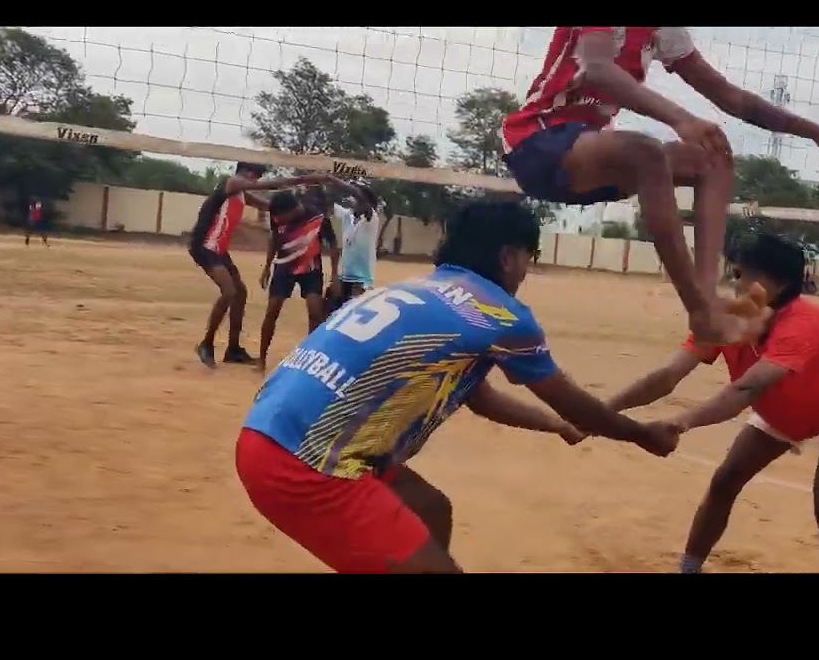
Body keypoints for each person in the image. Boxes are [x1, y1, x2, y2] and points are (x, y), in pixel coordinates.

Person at [235, 199, 683, 574]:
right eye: (529, 257)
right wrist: (642, 435)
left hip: (269, 432)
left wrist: (554, 426)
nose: (527, 270)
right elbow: (579, 406)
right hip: (308, 464)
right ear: (509, 257)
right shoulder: (501, 315)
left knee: (431, 510)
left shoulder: (428, 288)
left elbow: (478, 397)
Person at [501, 27, 819, 347]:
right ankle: (700, 310)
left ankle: (708, 296)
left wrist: (817, 133)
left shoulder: (664, 33)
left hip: (588, 157)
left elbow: (733, 98)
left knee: (713, 156)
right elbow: (597, 70)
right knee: (645, 151)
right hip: (537, 144)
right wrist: (681, 119)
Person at [614, 234, 819, 574]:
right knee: (726, 480)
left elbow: (745, 391)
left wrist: (681, 422)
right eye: (735, 274)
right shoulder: (725, 322)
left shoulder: (802, 326)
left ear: (779, 284)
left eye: (743, 276)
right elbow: (669, 375)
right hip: (783, 410)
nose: (735, 284)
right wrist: (605, 409)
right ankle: (689, 569)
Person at [189, 163, 340, 368]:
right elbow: (273, 185)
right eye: (256, 177)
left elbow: (269, 206)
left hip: (219, 249)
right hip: (204, 246)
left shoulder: (241, 193)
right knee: (229, 291)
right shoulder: (231, 183)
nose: (256, 181)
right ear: (248, 173)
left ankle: (233, 349)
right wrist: (304, 179)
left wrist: (296, 203)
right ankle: (206, 344)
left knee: (240, 292)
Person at [255, 191, 338, 373]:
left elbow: (333, 245)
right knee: (272, 310)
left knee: (315, 312)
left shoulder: (318, 217)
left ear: (292, 210)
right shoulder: (277, 216)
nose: (277, 220)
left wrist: (335, 276)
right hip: (284, 266)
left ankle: (310, 357)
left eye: (281, 216)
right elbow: (274, 239)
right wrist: (267, 267)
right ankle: (261, 359)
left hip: (310, 268)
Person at [324, 180, 381, 315]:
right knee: (329, 309)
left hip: (361, 279)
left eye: (357, 196)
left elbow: (362, 201)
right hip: (345, 275)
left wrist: (339, 183)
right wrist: (329, 185)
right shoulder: (347, 215)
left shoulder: (371, 218)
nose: (353, 200)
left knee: (353, 313)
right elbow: (329, 204)